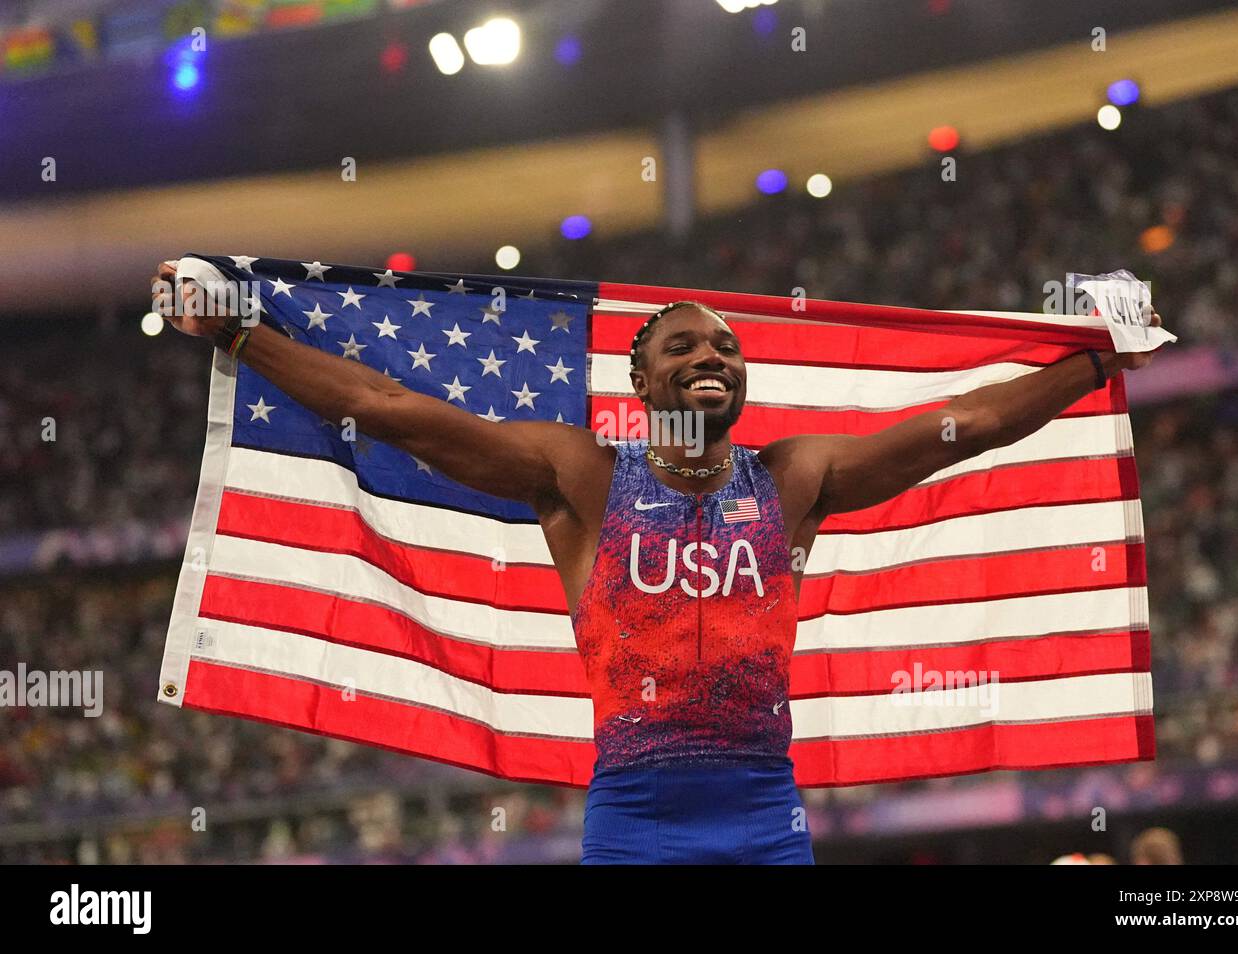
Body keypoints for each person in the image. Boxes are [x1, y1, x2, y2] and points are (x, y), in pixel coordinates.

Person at [153, 262, 1163, 864]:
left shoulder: (792, 479)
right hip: (637, 819)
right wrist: (239, 331)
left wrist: (1096, 361)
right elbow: (390, 413)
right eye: (681, 348)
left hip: (765, 813)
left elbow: (967, 427)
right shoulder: (580, 474)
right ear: (640, 378)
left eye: (722, 346)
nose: (707, 357)